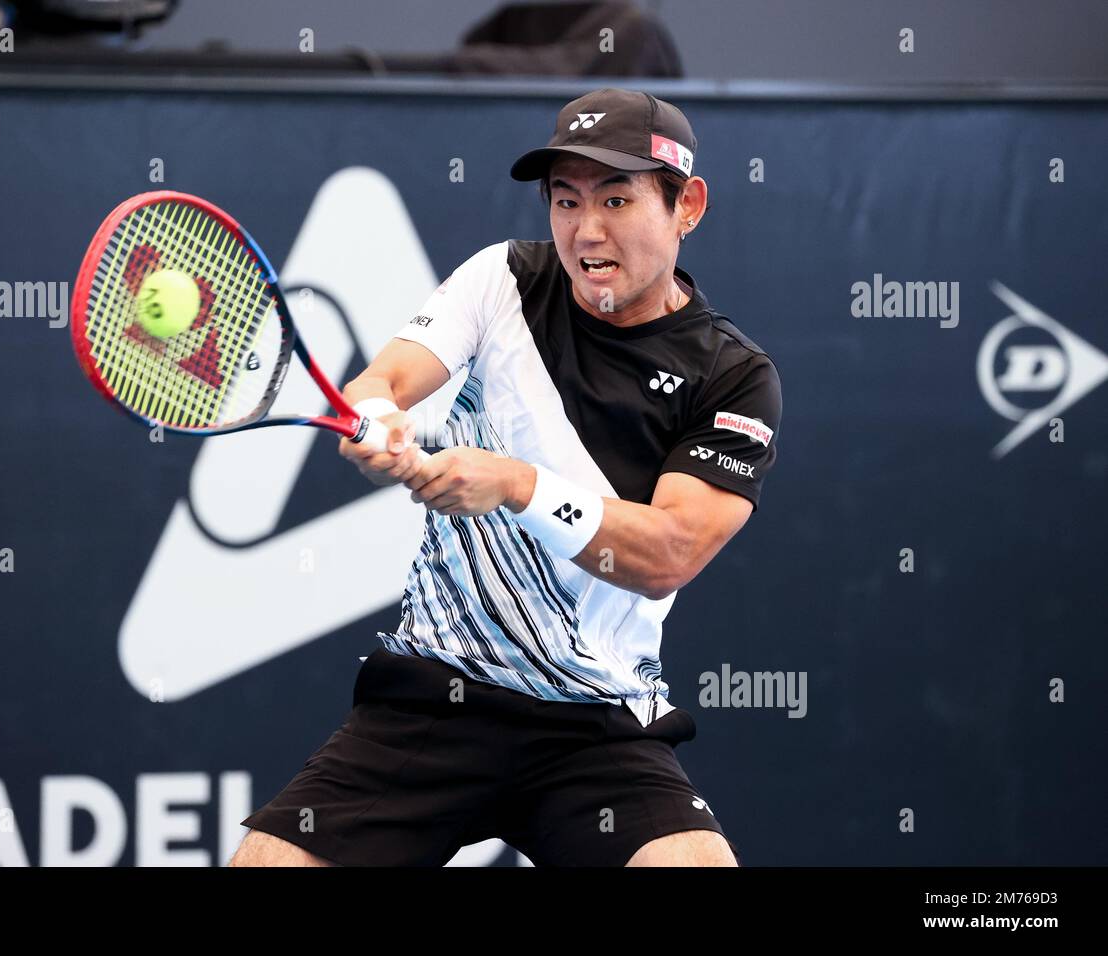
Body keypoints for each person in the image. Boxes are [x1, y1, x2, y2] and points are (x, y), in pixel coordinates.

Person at [231, 87, 782, 867]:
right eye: (566, 201)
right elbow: (381, 382)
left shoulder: (733, 377)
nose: (586, 230)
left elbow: (668, 556)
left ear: (686, 205)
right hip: (437, 695)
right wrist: (379, 416)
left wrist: (518, 486)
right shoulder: (502, 281)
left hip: (594, 719)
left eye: (617, 199)